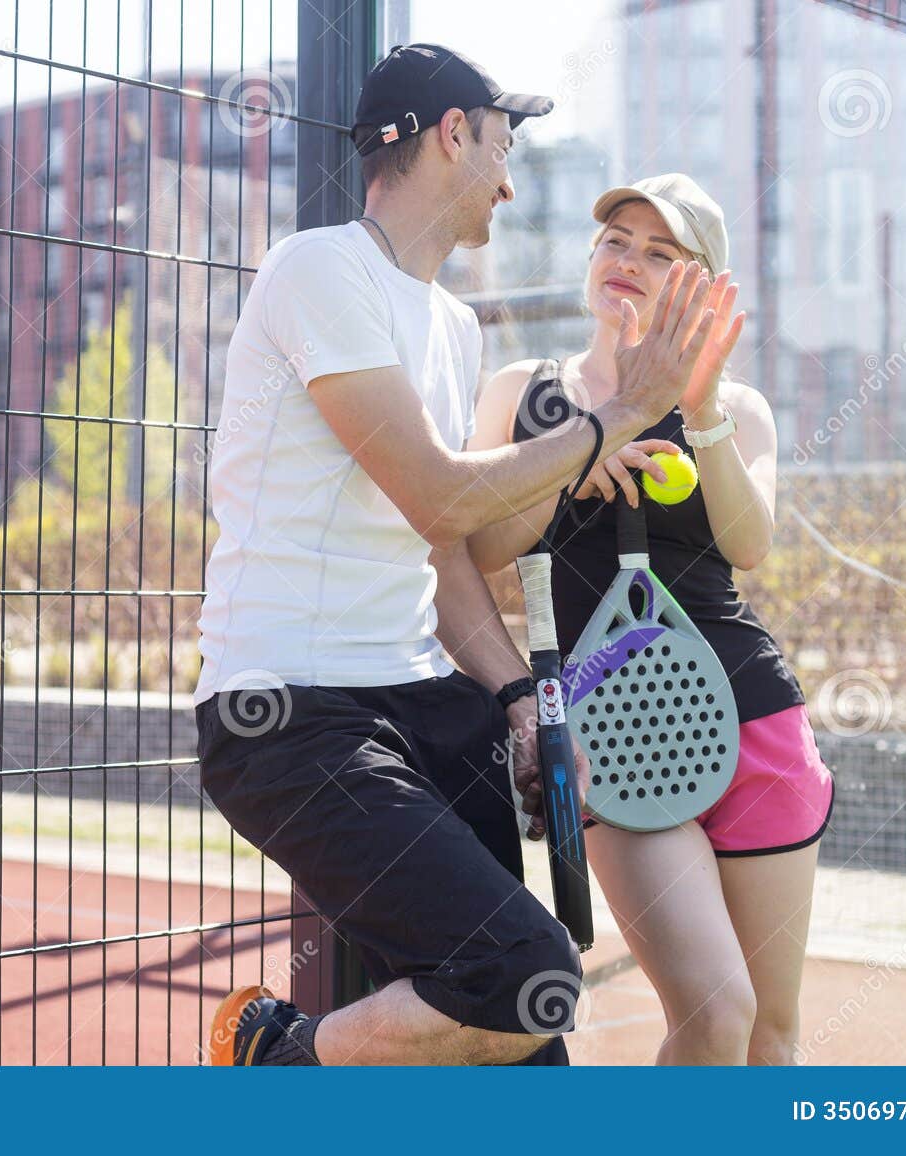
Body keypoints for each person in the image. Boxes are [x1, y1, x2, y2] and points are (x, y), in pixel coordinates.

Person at [193, 46, 739, 1065]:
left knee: (524, 1028)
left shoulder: (450, 323)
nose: (511, 175)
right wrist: (614, 416)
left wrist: (515, 698)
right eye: (503, 141)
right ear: (454, 133)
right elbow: (438, 487)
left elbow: (439, 540)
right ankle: (276, 1055)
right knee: (520, 971)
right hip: (288, 712)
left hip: (424, 701)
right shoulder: (319, 269)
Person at [465, 173, 834, 1066]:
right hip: (609, 733)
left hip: (754, 717)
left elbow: (749, 546)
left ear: (701, 287)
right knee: (715, 1014)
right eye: (615, 242)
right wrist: (573, 457)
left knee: (772, 1033)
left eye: (659, 252)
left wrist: (700, 410)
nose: (627, 262)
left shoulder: (738, 410)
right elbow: (473, 551)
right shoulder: (526, 391)